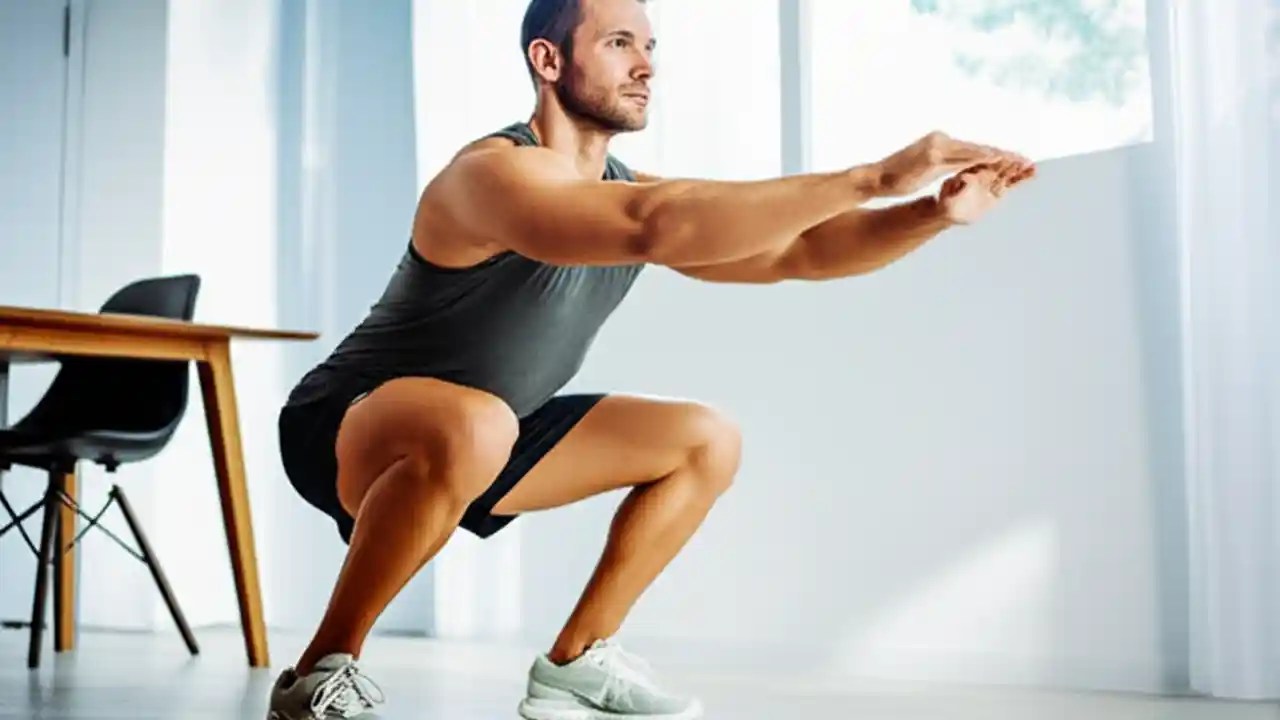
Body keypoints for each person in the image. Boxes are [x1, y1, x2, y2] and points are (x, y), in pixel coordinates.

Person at [266, 0, 1037, 717]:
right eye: (618, 43)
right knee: (477, 423)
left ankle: (574, 662)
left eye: (650, 46)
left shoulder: (634, 188)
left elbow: (800, 250)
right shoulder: (493, 174)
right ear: (548, 60)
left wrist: (927, 213)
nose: (646, 65)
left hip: (494, 433)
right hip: (348, 424)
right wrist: (872, 177)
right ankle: (319, 672)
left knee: (704, 438)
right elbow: (651, 225)